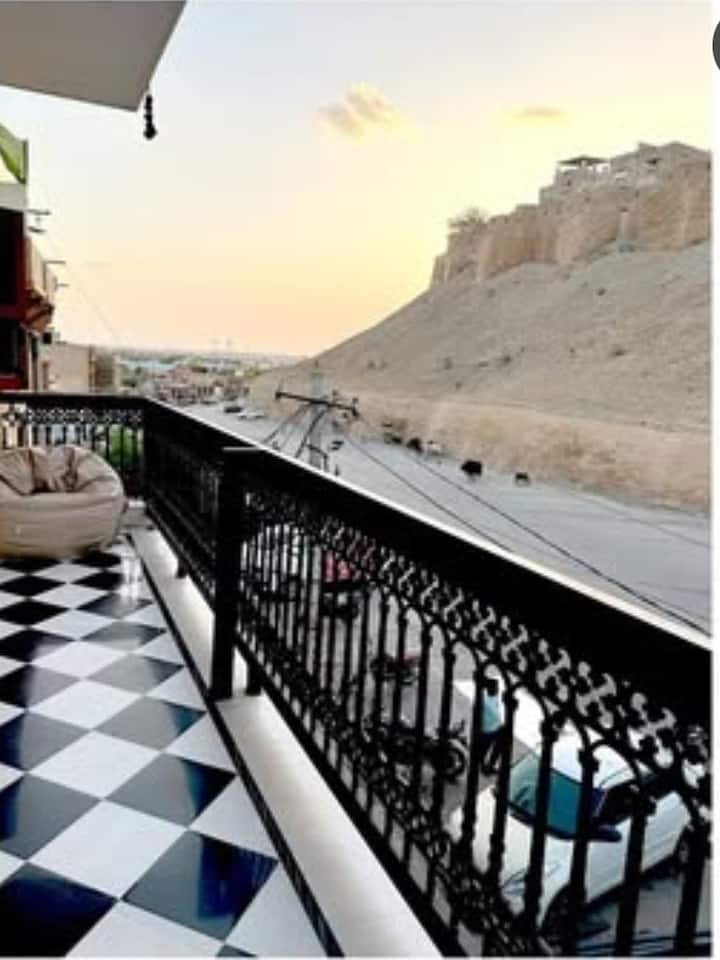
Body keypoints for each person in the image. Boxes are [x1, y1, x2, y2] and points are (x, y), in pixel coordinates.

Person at [478, 670, 505, 775]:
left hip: (496, 727)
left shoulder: (492, 697)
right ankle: (485, 766)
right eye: (496, 688)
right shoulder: (485, 701)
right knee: (484, 750)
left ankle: (490, 765)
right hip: (488, 730)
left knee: (498, 747)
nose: (498, 689)